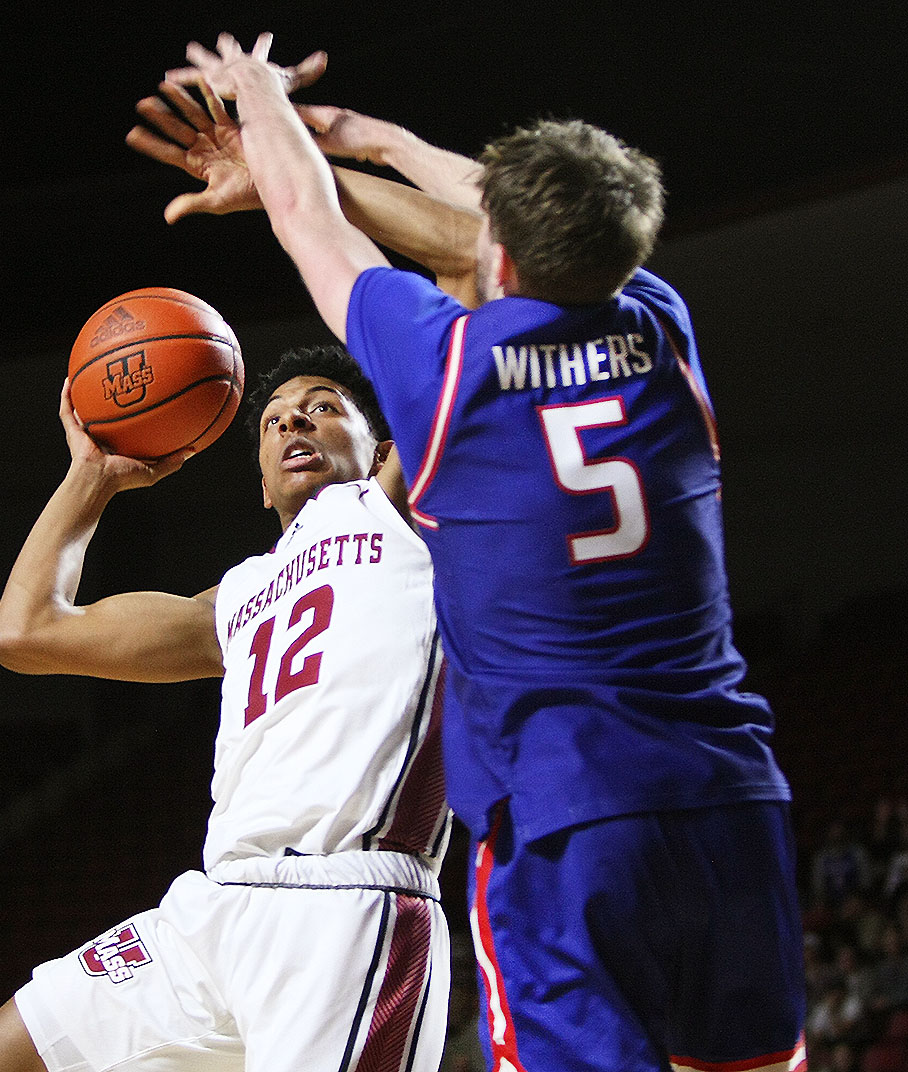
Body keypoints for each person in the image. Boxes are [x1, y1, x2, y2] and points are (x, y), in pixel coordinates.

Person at [159, 32, 807, 1072]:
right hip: (725, 791)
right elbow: (523, 222)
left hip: (564, 816)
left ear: (491, 255)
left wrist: (260, 99)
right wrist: (375, 139)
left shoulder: (445, 370)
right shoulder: (660, 325)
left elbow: (304, 217)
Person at [0, 345, 451, 1072]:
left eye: (325, 407)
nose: (292, 421)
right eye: (273, 421)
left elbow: (454, 356)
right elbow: (22, 632)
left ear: (384, 454)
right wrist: (92, 478)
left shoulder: (407, 517)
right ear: (263, 490)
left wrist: (314, 223)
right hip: (213, 908)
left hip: (345, 905)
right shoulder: (239, 595)